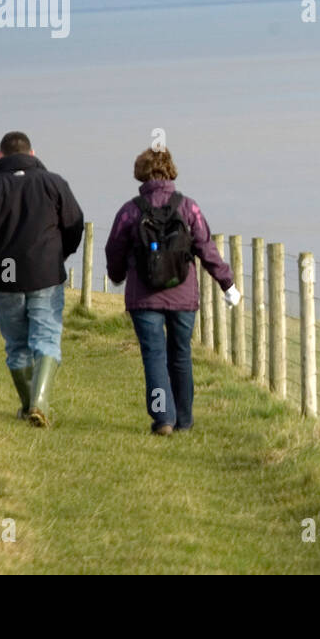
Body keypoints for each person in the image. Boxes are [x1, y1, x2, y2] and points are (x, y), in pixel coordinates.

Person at [104, 147, 239, 436]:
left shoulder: (130, 210)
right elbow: (206, 248)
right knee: (180, 355)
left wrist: (116, 276)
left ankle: (163, 418)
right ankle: (185, 421)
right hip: (182, 295)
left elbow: (114, 248)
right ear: (171, 171)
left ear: (141, 173)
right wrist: (227, 284)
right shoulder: (188, 207)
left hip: (144, 296)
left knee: (154, 356)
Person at [0, 131, 85, 427]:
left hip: (6, 275)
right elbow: (75, 223)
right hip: (45, 273)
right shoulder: (54, 183)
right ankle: (39, 403)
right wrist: (61, 254)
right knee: (47, 340)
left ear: (0, 156)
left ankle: (28, 404)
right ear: (32, 153)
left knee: (17, 345)